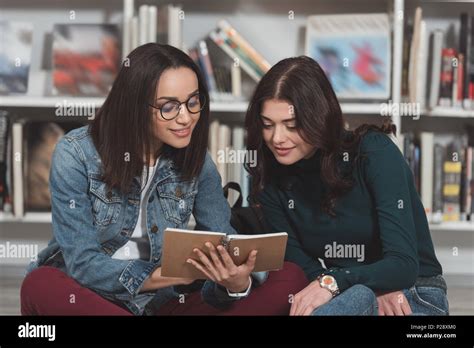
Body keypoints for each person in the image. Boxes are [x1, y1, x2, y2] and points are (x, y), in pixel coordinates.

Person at [21, 44, 308, 316]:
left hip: (162, 303)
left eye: (193, 102)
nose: (186, 118)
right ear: (134, 106)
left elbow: (223, 242)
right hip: (92, 297)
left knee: (289, 277)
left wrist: (233, 284)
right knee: (40, 285)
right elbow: (82, 264)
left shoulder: (197, 160)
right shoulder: (76, 153)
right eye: (169, 107)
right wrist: (162, 276)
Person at [244, 55, 449, 316]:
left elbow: (403, 264)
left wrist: (339, 282)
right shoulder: (271, 177)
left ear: (318, 117)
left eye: (291, 125)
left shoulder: (374, 152)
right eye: (267, 125)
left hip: (411, 294)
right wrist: (349, 285)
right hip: (346, 292)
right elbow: (303, 267)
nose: (277, 138)